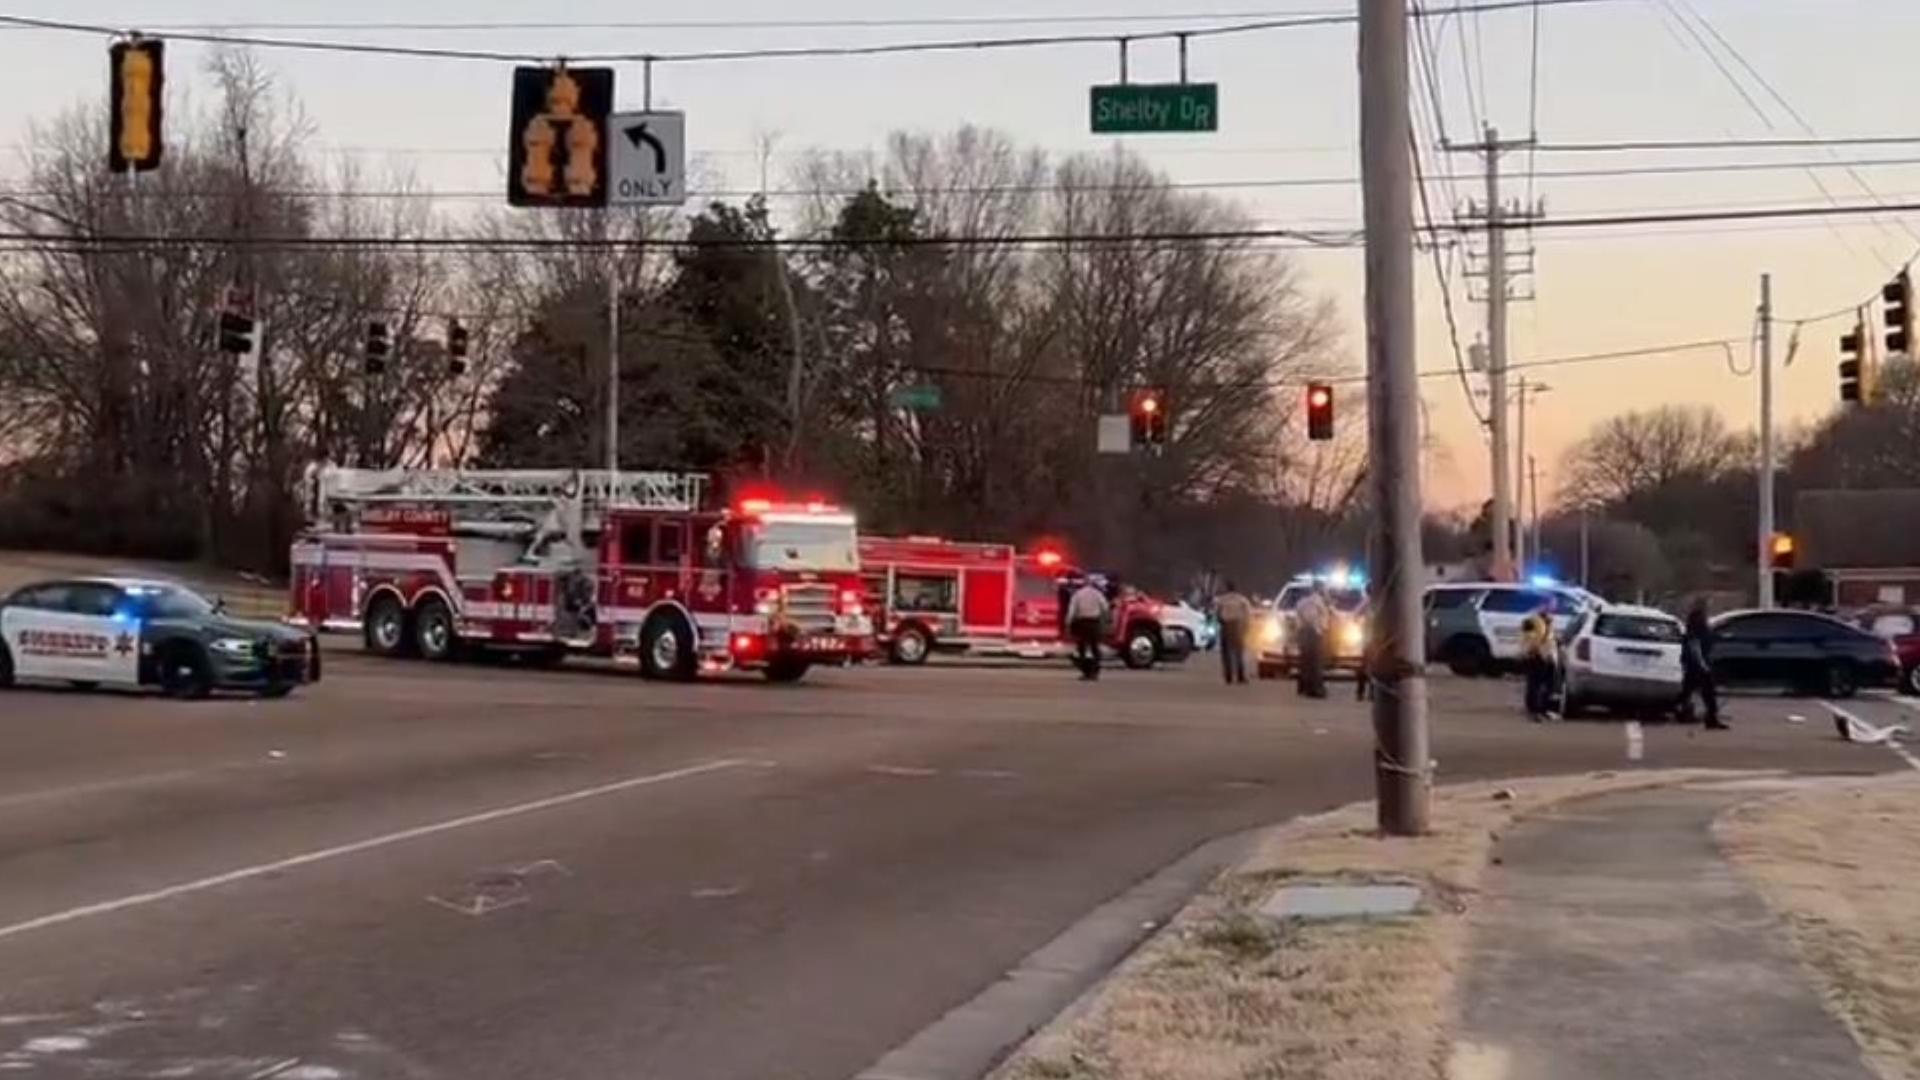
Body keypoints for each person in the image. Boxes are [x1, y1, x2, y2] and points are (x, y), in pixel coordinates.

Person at [1682, 601, 1727, 729]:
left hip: (1694, 667)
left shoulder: (1697, 631)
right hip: (1698, 667)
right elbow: (1695, 649)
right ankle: (1710, 719)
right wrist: (1703, 665)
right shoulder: (1697, 632)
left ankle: (1707, 718)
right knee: (1708, 694)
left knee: (1689, 692)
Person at [1065, 576, 1111, 681]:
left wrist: (1068, 623)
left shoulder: (1078, 594)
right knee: (1095, 648)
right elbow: (1105, 607)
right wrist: (1106, 620)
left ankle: (1086, 672)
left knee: (1082, 649)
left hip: (1082, 623)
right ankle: (1095, 672)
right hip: (1094, 623)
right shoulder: (1097, 594)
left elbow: (1072, 610)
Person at [1519, 603, 1559, 721]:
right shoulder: (1531, 621)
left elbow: (1549, 639)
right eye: (1549, 607)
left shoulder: (1548, 621)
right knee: (1534, 685)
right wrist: (1533, 650)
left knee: (1548, 685)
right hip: (1534, 656)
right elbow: (1529, 638)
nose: (1551, 609)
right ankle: (1533, 711)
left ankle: (1543, 709)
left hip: (1547, 656)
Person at [1294, 583, 1331, 698]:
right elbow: (1315, 617)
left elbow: (1299, 618)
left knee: (1305, 661)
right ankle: (1316, 689)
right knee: (1315, 662)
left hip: (1303, 632)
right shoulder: (1318, 601)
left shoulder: (1301, 602)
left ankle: (1304, 687)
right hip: (1314, 633)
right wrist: (1320, 628)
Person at [1213, 581, 1254, 685]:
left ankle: (1228, 676)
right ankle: (1240, 676)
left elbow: (1217, 613)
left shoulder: (1221, 600)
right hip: (1237, 626)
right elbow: (1248, 614)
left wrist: (1220, 622)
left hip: (1226, 625)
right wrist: (1246, 627)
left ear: (1227, 588)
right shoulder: (1242, 600)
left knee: (1226, 653)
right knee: (1238, 652)